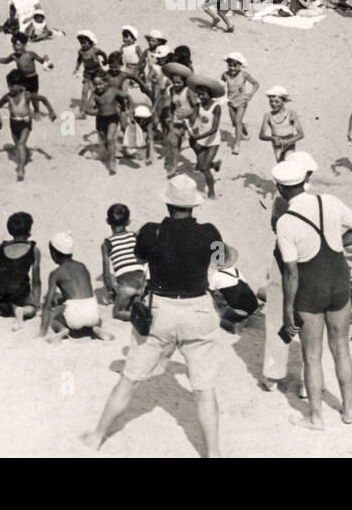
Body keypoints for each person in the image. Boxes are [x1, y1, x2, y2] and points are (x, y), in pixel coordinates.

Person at [82, 175, 225, 457]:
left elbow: (142, 257)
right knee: (205, 389)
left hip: (161, 310)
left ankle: (97, 437)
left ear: (168, 203)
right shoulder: (210, 231)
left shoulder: (150, 231)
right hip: (198, 308)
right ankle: (213, 454)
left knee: (130, 377)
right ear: (193, 205)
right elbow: (220, 261)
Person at [273, 158, 352, 430]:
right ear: (304, 182)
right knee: (341, 348)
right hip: (339, 279)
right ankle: (348, 409)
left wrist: (287, 309)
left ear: (281, 189)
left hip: (310, 286)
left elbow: (291, 273)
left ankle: (316, 417)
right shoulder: (329, 200)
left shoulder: (285, 222)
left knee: (312, 355)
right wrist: (340, 243)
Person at [39, 231, 110, 342]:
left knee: (55, 318)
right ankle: (95, 329)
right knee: (90, 313)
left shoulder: (56, 273)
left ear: (53, 253)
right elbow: (84, 292)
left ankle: (62, 330)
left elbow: (47, 305)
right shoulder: (82, 266)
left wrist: (42, 331)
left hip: (74, 318)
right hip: (93, 314)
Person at [0, 211, 42, 328]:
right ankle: (22, 311)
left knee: (2, 307)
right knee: (31, 309)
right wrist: (36, 304)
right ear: (29, 229)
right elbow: (36, 281)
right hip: (19, 292)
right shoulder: (33, 249)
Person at [101, 203, 145, 321]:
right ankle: (138, 298)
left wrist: (110, 292)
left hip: (127, 287)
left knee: (117, 312)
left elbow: (106, 273)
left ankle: (139, 318)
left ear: (107, 221)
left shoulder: (107, 244)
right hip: (143, 281)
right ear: (128, 222)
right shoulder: (134, 236)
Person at [209, 243, 259, 333]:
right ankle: (245, 318)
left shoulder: (216, 276)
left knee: (210, 316)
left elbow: (208, 296)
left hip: (239, 312)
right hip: (253, 305)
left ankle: (233, 324)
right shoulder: (236, 270)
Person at [221, 53, 259, 154]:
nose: (232, 68)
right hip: (231, 102)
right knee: (235, 123)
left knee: (237, 121)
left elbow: (256, 84)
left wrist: (250, 95)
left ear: (240, 65)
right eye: (230, 65)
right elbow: (221, 84)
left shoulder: (244, 74)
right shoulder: (225, 74)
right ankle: (244, 130)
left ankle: (237, 144)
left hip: (242, 101)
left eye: (235, 65)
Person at [259, 85, 303, 162]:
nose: (273, 104)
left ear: (283, 102)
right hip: (277, 143)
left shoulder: (291, 114)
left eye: (276, 101)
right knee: (280, 166)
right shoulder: (268, 116)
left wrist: (288, 141)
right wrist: (272, 138)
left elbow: (301, 134)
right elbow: (261, 135)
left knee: (288, 163)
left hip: (290, 142)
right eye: (271, 101)